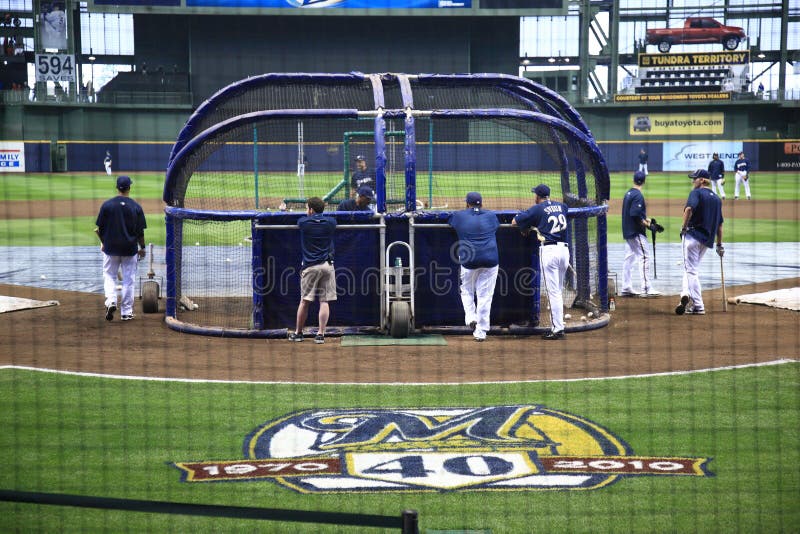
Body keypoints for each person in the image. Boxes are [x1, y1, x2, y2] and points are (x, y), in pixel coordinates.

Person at [512, 184, 570, 340]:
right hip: (565, 252)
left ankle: (558, 329)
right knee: (557, 291)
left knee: (553, 292)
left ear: (538, 196)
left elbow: (514, 221)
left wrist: (527, 224)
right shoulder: (562, 206)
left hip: (550, 252)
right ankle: (558, 325)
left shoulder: (537, 209)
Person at [448, 192, 500, 342]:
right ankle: (481, 332)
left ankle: (471, 317)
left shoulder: (459, 215)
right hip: (491, 259)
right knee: (485, 296)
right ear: (481, 203)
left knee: (466, 290)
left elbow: (450, 222)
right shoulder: (491, 215)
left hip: (469, 260)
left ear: (467, 204)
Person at [95, 175, 147, 322]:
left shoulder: (107, 205)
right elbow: (140, 232)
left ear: (117, 188)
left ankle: (111, 300)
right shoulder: (136, 206)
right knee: (128, 280)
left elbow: (100, 228)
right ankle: (126, 312)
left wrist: (104, 242)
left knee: (109, 275)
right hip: (130, 249)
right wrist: (142, 247)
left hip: (110, 248)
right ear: (129, 187)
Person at [675, 169, 724, 316]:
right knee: (690, 268)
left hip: (692, 236)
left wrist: (683, 228)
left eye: (695, 178)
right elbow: (720, 225)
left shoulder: (696, 193)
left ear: (702, 180)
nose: (692, 181)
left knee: (691, 271)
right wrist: (719, 244)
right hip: (706, 241)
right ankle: (685, 294)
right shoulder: (717, 199)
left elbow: (689, 209)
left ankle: (698, 305)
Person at [289, 196, 337, 344]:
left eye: (307, 208)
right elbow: (330, 221)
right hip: (327, 266)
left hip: (310, 267)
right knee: (324, 301)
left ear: (310, 210)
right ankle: (321, 334)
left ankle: (298, 333)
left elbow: (303, 221)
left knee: (305, 302)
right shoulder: (331, 223)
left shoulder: (303, 223)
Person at [620, 171, 662, 298]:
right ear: (644, 181)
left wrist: (647, 220)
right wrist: (648, 225)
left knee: (629, 258)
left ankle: (626, 287)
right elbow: (635, 215)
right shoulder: (638, 195)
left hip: (628, 231)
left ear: (633, 180)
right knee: (644, 257)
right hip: (636, 232)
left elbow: (634, 213)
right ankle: (646, 288)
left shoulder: (628, 193)